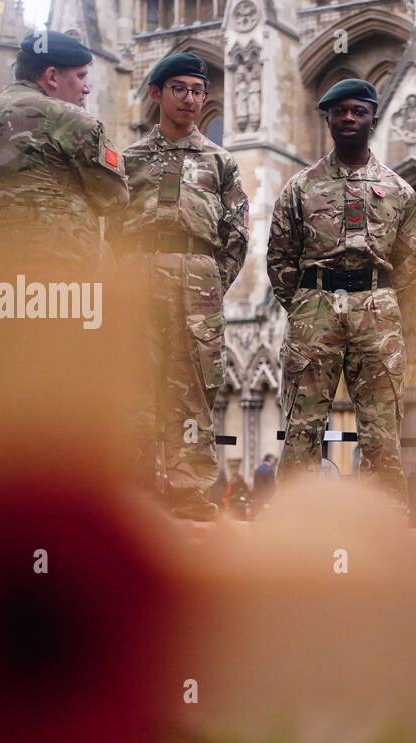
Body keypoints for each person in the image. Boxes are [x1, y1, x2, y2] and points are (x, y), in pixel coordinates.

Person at [267, 78, 416, 507]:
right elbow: (280, 257)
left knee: (381, 427)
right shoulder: (300, 187)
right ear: (329, 119)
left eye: (358, 111)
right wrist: (304, 305)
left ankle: (385, 519)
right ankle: (293, 518)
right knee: (302, 423)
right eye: (340, 112)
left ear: (373, 116)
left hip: (377, 311)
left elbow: (411, 262)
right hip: (315, 308)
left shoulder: (400, 191)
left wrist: (382, 302)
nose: (348, 118)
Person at [110, 52, 250, 522]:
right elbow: (108, 229)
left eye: (197, 91)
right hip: (139, 279)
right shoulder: (127, 161)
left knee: (194, 388)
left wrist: (209, 281)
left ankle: (190, 489)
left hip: (198, 285)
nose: (189, 99)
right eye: (179, 89)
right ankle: (138, 488)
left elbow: (237, 234)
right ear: (157, 94)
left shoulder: (220, 162)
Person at [0, 30, 128, 272]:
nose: (87, 88)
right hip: (57, 276)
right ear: (51, 76)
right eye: (81, 76)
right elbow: (115, 197)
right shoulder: (70, 119)